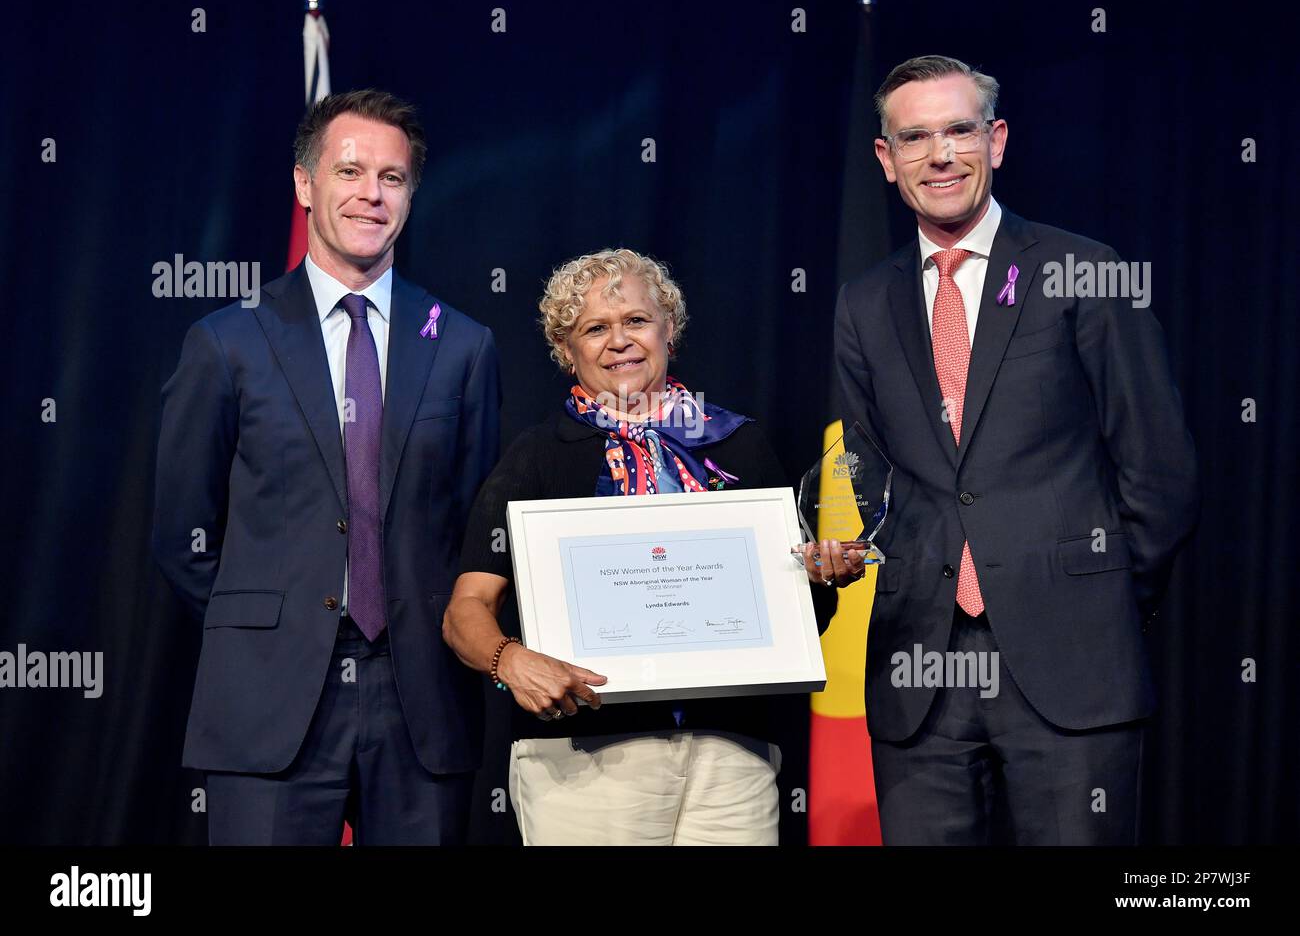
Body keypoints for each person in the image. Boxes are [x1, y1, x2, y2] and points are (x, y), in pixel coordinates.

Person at [834, 56, 1199, 844]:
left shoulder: (1084, 271)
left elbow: (1159, 470)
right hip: (919, 672)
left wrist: (1098, 596)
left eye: (960, 130)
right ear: (885, 157)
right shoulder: (864, 303)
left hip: (1074, 660)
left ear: (996, 142)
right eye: (916, 136)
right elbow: (870, 473)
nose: (940, 155)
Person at [152, 89, 500, 844]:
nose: (370, 194)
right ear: (306, 186)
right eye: (349, 172)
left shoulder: (465, 346)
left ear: (411, 195)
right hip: (267, 702)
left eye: (392, 178)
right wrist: (268, 629)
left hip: (423, 702)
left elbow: (476, 531)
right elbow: (183, 532)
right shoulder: (226, 342)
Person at [443, 248, 859, 845]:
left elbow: (799, 619)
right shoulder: (536, 457)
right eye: (595, 328)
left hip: (731, 759)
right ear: (567, 350)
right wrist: (510, 661)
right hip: (586, 764)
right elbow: (465, 611)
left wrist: (821, 580)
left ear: (669, 328)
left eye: (636, 320)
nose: (620, 341)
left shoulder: (739, 447)